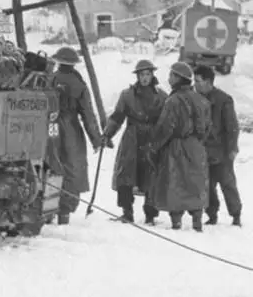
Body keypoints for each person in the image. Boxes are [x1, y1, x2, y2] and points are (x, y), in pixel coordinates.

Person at [101, 59, 169, 225]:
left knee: (151, 175)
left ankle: (151, 214)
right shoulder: (127, 95)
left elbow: (167, 120)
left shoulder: (162, 96)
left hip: (152, 138)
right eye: (141, 74)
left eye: (147, 74)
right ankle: (127, 211)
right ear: (137, 76)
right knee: (126, 175)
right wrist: (107, 134)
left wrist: (164, 139)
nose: (145, 78)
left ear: (152, 75)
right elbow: (117, 117)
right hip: (132, 138)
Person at [147, 61, 211, 231]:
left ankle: (176, 222)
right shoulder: (202, 100)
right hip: (196, 146)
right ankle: (197, 221)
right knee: (195, 182)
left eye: (171, 75)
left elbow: (165, 127)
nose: (168, 79)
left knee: (175, 183)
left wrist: (154, 146)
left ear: (177, 78)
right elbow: (207, 127)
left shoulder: (173, 100)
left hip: (176, 146)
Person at [48, 46, 103, 225]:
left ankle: (48, 209)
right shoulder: (79, 84)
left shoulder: (49, 79)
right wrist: (96, 138)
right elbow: (87, 114)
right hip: (71, 129)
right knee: (72, 168)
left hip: (49, 127)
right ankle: (65, 213)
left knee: (51, 166)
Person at [193, 65, 242, 226]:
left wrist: (232, 148)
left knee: (227, 184)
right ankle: (211, 214)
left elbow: (232, 127)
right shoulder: (195, 98)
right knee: (206, 186)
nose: (195, 84)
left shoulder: (223, 100)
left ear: (208, 82)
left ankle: (236, 215)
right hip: (203, 151)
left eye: (198, 81)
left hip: (221, 152)